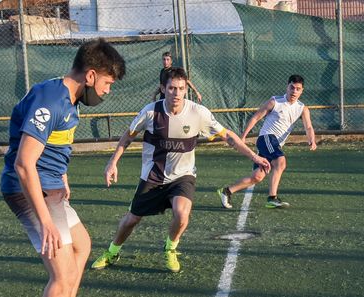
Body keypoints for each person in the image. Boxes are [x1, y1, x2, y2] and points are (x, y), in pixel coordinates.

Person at [0, 38, 126, 297]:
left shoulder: (69, 101)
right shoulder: (50, 100)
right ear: (90, 75)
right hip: (30, 190)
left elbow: (56, 145)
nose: (107, 91)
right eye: (107, 84)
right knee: (62, 272)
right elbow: (25, 164)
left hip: (51, 187)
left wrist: (63, 179)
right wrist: (44, 220)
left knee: (82, 245)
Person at [92, 68, 269, 274]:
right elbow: (128, 137)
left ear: (186, 89)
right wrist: (113, 162)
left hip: (182, 176)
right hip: (153, 177)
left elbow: (228, 136)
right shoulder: (150, 112)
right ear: (163, 88)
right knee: (131, 219)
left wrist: (255, 157)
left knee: (182, 214)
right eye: (172, 88)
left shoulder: (198, 113)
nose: (177, 93)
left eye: (181, 88)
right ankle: (113, 251)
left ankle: (170, 248)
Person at [216, 74, 317, 210]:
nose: (294, 91)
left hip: (275, 144)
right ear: (287, 87)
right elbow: (256, 118)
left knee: (257, 177)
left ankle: (226, 191)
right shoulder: (275, 101)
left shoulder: (302, 108)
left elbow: (308, 126)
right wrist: (243, 137)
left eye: (298, 89)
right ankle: (272, 198)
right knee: (280, 162)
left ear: (302, 91)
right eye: (292, 87)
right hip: (266, 138)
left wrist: (312, 139)